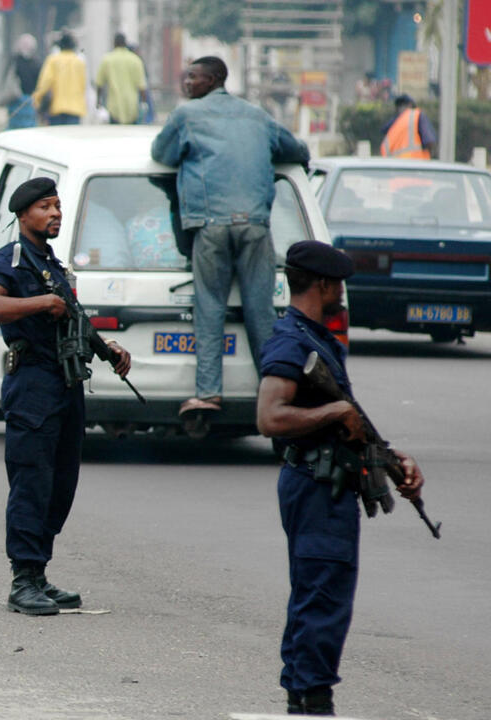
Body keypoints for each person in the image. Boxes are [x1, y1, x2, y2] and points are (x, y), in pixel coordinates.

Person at [256, 240, 426, 716]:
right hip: (316, 486)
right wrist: (333, 412)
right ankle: (312, 699)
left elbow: (351, 421)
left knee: (317, 594)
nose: (342, 294)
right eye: (339, 286)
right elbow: (269, 418)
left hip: (322, 483)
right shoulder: (292, 342)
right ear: (324, 285)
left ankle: (304, 694)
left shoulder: (316, 339)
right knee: (323, 597)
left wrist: (393, 460)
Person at [0, 177, 132, 616]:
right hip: (32, 383)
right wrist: (41, 304)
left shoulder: (52, 264)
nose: (55, 214)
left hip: (65, 383)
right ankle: (22, 580)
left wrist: (107, 349)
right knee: (32, 481)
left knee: (60, 484)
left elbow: (72, 317)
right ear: (23, 214)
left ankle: (39, 573)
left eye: (58, 206)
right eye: (45, 207)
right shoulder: (11, 259)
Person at [151, 56, 309, 430]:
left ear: (215, 79)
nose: (187, 82)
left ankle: (209, 394)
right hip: (255, 226)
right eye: (187, 76)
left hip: (211, 227)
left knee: (210, 309)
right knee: (261, 313)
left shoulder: (186, 116)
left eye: (194, 77)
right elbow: (298, 151)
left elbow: (161, 154)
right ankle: (277, 396)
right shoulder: (258, 116)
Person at [94, 33, 150, 125]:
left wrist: (98, 103)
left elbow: (99, 84)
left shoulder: (107, 60)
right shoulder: (135, 60)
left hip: (114, 107)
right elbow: (142, 86)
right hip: (132, 107)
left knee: (115, 133)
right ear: (125, 43)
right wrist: (144, 103)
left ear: (114, 43)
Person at [33, 31, 87, 125]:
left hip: (56, 108)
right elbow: (83, 85)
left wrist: (37, 98)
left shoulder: (53, 60)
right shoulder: (79, 62)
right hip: (76, 108)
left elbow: (45, 82)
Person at [380, 94, 437, 159]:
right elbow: (430, 141)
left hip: (394, 164)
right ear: (410, 105)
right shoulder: (416, 115)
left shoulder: (392, 126)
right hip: (416, 162)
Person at [5, 33, 41, 130]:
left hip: (16, 100)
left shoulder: (15, 61)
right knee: (28, 128)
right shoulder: (36, 63)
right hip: (30, 101)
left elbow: (8, 79)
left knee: (14, 129)